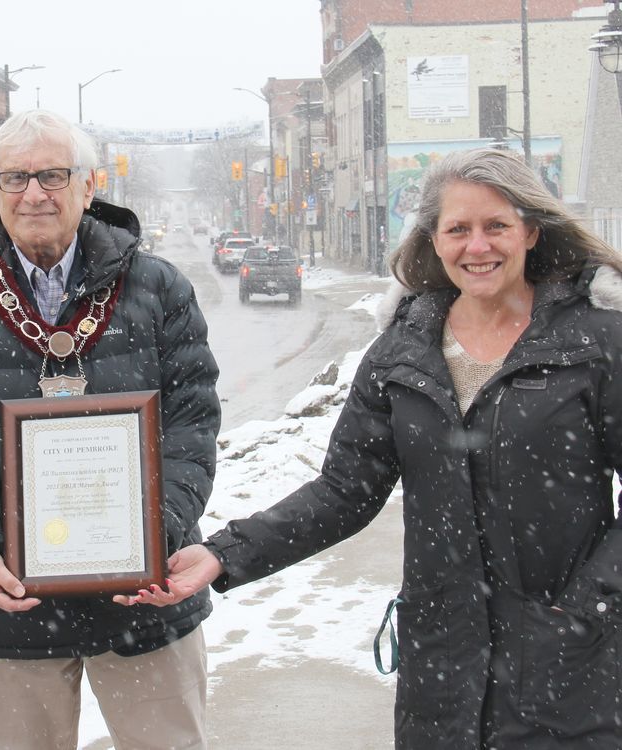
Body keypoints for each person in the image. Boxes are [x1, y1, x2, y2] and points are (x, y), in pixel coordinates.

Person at [117, 148, 622, 749]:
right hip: (442, 662)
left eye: (496, 226)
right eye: (457, 228)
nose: (477, 246)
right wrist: (222, 555)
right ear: (433, 240)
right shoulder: (401, 354)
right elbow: (343, 492)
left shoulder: (594, 344)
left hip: (573, 660)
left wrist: (590, 602)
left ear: (532, 232)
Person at [0, 109, 221, 750]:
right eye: (14, 177)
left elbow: (192, 422)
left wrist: (156, 533)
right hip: (7, 605)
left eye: (52, 174)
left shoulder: (157, 288)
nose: (34, 193)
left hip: (144, 597)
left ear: (88, 185)